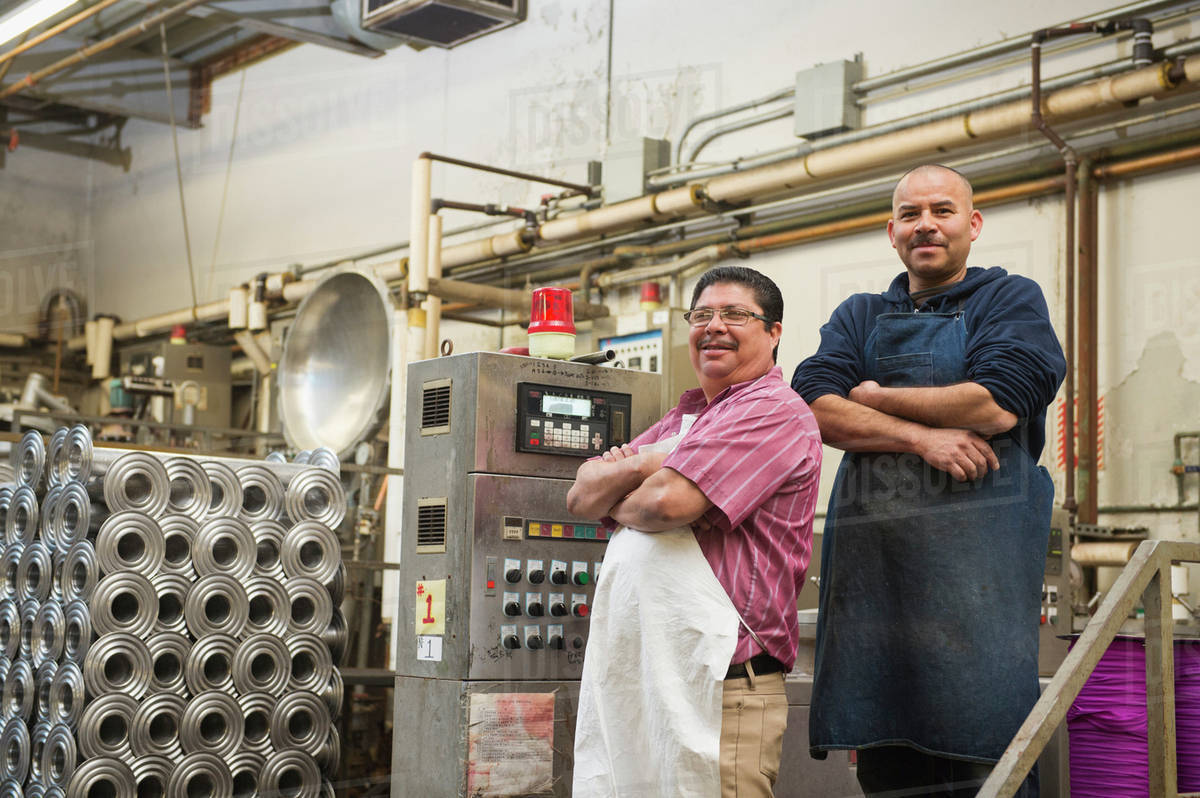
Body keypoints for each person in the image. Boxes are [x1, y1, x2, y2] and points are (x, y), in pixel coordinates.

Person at [791, 164, 1066, 797]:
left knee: (987, 769)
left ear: (973, 224)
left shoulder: (1009, 300)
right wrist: (924, 438)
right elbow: (813, 408)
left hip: (978, 598)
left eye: (942, 211)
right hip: (875, 603)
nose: (926, 225)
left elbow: (995, 403)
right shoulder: (860, 314)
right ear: (892, 231)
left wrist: (873, 397)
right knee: (889, 773)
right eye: (910, 214)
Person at [568, 265, 821, 798]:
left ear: (774, 332)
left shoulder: (773, 411)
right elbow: (582, 496)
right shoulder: (683, 419)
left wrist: (640, 469)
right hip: (651, 686)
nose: (714, 326)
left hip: (723, 695)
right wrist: (660, 462)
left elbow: (667, 504)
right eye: (702, 314)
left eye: (735, 314)